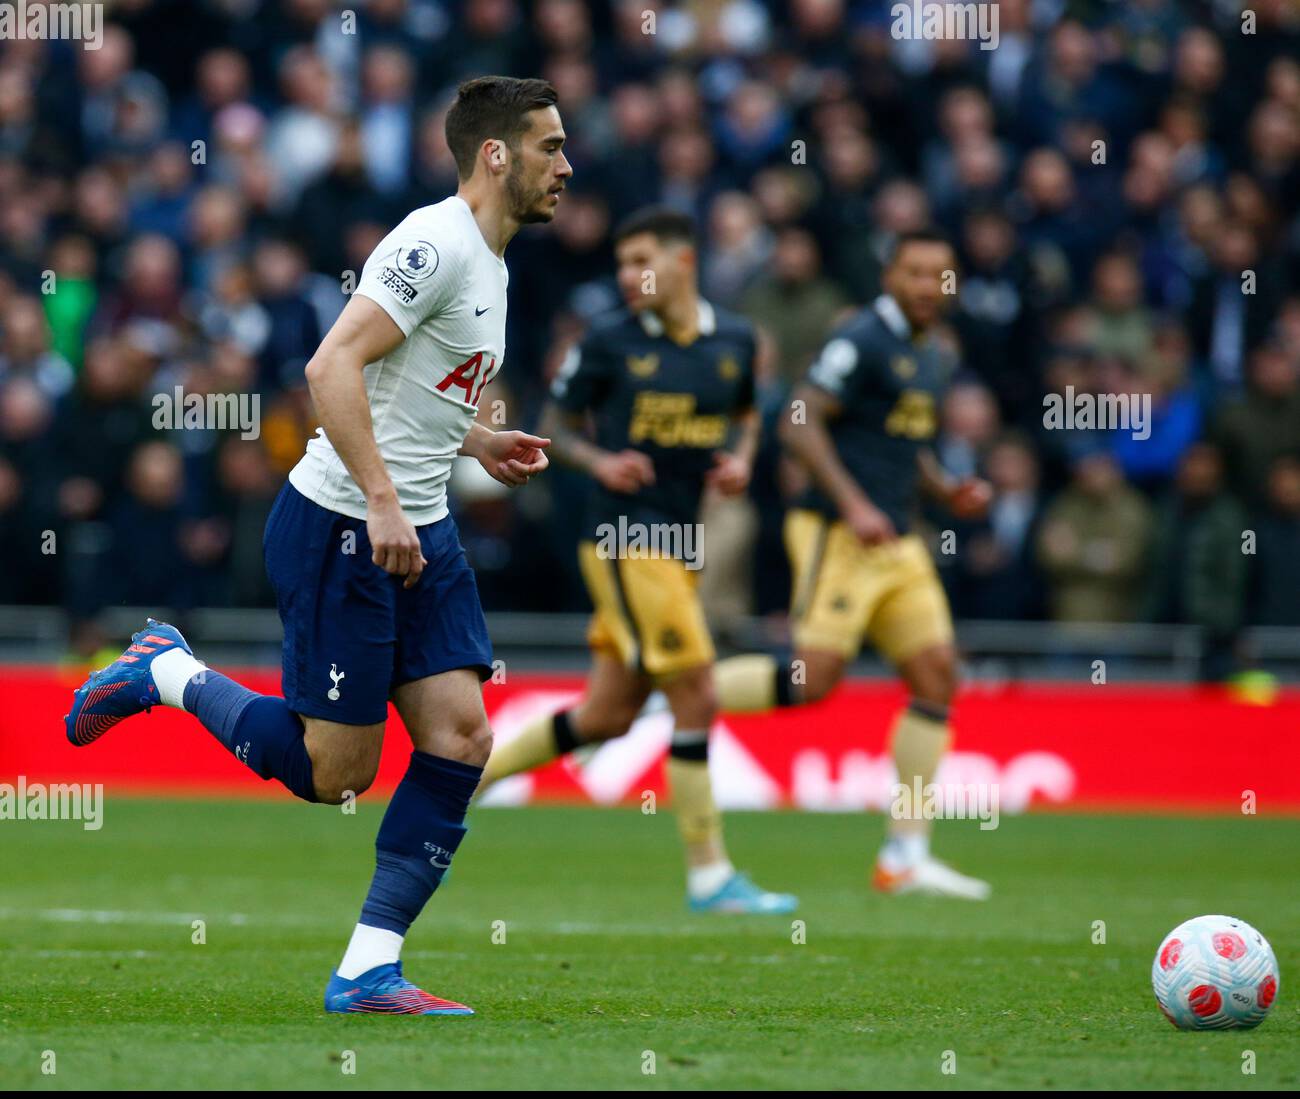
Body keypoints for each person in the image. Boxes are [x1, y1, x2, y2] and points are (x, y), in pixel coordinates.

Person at [64, 76, 571, 1016]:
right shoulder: (435, 243)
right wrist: (381, 498)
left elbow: (405, 389)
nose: (565, 166)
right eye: (549, 147)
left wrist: (477, 439)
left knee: (461, 734)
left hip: (419, 525)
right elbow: (328, 365)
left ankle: (367, 969)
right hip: (347, 523)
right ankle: (166, 671)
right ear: (496, 154)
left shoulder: (493, 263)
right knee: (334, 774)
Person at [477, 206, 797, 915]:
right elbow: (555, 423)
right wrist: (600, 459)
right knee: (696, 692)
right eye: (621, 263)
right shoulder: (609, 342)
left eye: (641, 259)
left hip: (681, 539)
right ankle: (711, 873)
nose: (627, 276)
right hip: (624, 540)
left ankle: (466, 777)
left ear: (685, 262)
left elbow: (748, 412)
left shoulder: (737, 340)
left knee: (607, 714)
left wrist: (741, 461)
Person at [711, 229, 994, 900]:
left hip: (897, 538)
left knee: (936, 676)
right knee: (815, 680)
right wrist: (856, 504)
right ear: (890, 274)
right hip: (840, 530)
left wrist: (944, 487)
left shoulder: (933, 354)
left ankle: (905, 853)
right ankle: (677, 695)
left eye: (941, 274)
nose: (930, 285)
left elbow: (905, 443)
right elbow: (799, 421)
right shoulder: (861, 338)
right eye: (916, 272)